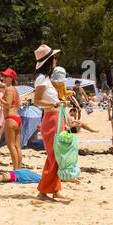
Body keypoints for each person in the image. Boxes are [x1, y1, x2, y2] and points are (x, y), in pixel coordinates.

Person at [33, 44, 67, 202]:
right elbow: (37, 101)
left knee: (58, 154)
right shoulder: (41, 79)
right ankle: (43, 191)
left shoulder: (46, 79)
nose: (56, 60)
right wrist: (53, 105)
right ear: (48, 61)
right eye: (54, 58)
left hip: (56, 116)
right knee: (55, 155)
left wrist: (58, 103)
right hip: (51, 117)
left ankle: (55, 188)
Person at [0, 68, 23, 171]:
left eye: (6, 76)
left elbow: (7, 105)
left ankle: (15, 170)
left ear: (11, 78)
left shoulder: (9, 89)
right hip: (17, 118)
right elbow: (17, 105)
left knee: (11, 146)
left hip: (10, 118)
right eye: (4, 76)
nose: (4, 78)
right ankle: (19, 169)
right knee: (17, 146)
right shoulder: (15, 89)